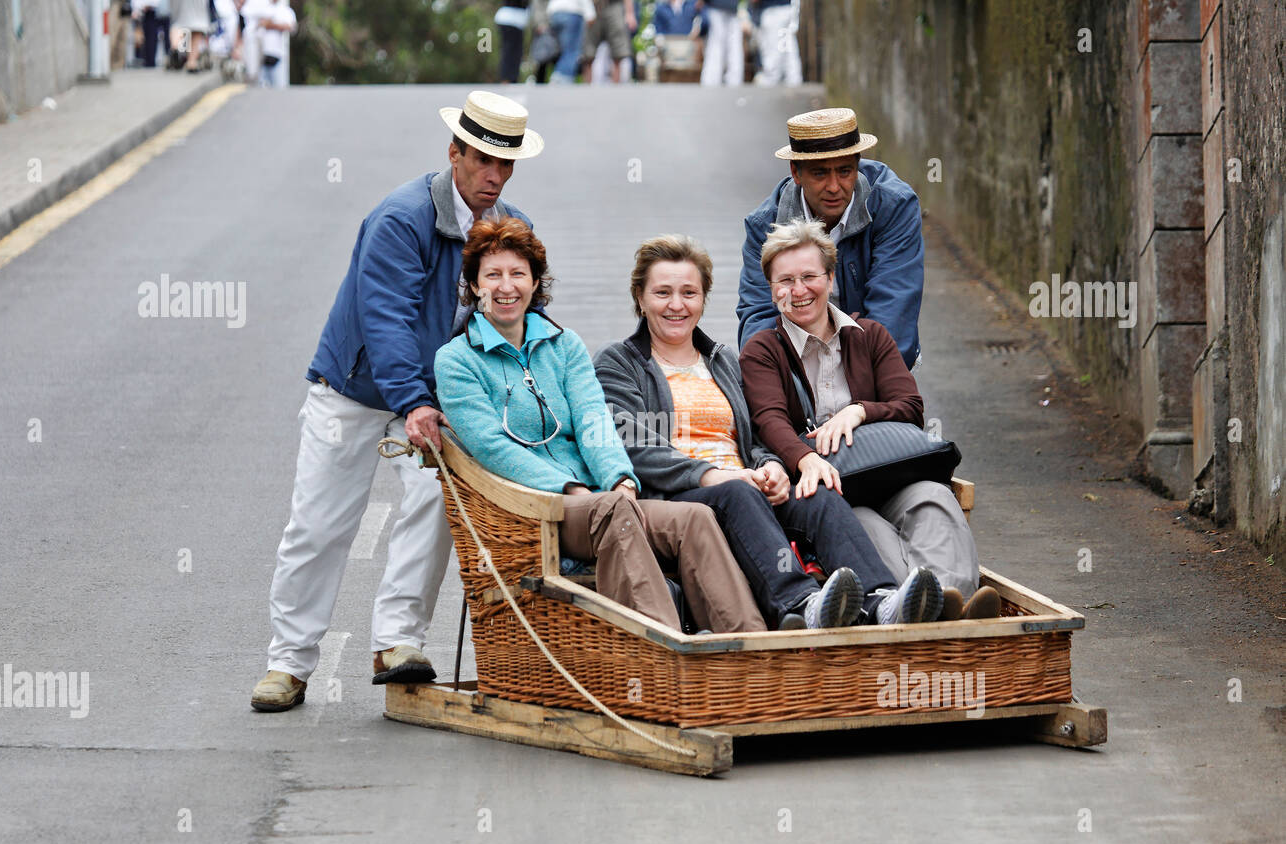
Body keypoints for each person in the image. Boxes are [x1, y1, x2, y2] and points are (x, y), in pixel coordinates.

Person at [250, 92, 544, 712]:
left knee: (437, 504)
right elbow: (386, 320)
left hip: (432, 395)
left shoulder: (508, 226)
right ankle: (289, 663)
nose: (495, 176)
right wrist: (411, 400)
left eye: (507, 164)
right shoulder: (400, 218)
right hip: (354, 388)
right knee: (319, 525)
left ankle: (397, 643)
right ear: (454, 153)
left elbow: (521, 313)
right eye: (484, 160)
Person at [593, 235, 944, 630]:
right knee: (737, 492)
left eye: (689, 292)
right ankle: (800, 602)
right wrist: (716, 475)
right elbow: (632, 444)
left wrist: (771, 465)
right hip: (682, 497)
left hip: (746, 486)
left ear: (703, 299)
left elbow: (754, 433)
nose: (677, 305)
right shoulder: (619, 362)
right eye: (663, 293)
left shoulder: (721, 359)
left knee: (817, 495)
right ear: (640, 298)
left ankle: (882, 600)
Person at [435, 219, 766, 635]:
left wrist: (620, 479)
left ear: (535, 282)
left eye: (518, 273)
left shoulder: (563, 344)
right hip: (530, 504)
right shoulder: (456, 360)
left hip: (599, 501)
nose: (506, 286)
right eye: (493, 275)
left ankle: (748, 646)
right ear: (474, 285)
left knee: (694, 518)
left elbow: (595, 422)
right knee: (611, 509)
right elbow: (490, 447)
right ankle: (666, 649)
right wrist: (570, 489)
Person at [739, 219, 1002, 620]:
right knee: (862, 526)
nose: (798, 290)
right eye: (784, 280)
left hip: (889, 474)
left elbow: (910, 406)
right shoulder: (762, 350)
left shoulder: (870, 335)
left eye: (809, 276)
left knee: (934, 498)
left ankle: (954, 603)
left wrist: (859, 410)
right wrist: (806, 458)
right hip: (833, 492)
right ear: (771, 289)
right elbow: (769, 418)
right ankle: (910, 610)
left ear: (830, 277)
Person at [737, 107, 925, 371]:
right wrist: (783, 381)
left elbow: (894, 310)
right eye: (820, 173)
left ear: (858, 165)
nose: (835, 187)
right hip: (797, 368)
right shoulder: (766, 225)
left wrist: (855, 398)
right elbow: (758, 317)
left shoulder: (893, 206)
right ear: (796, 172)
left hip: (874, 365)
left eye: (845, 171)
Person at [581, 0, 637, 83]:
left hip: (614, 5)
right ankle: (586, 90)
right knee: (588, 53)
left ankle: (615, 90)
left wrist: (630, 13)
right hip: (591, 6)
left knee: (618, 52)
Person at [751, 0, 801, 87]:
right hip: (786, 9)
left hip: (773, 11)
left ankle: (771, 79)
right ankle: (793, 80)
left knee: (773, 51)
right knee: (788, 49)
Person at [546, 0, 591, 84]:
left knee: (560, 50)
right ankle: (561, 77)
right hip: (572, 13)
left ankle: (558, 74)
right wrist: (590, 13)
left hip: (554, 12)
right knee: (571, 50)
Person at [700, 0, 743, 86]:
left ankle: (712, 81)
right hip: (732, 6)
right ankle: (735, 80)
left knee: (716, 45)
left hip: (717, 5)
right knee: (734, 46)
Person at [494, 1, 532, 83]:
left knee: (513, 52)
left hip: (512, 20)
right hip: (512, 20)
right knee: (510, 52)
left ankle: (510, 79)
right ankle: (507, 79)